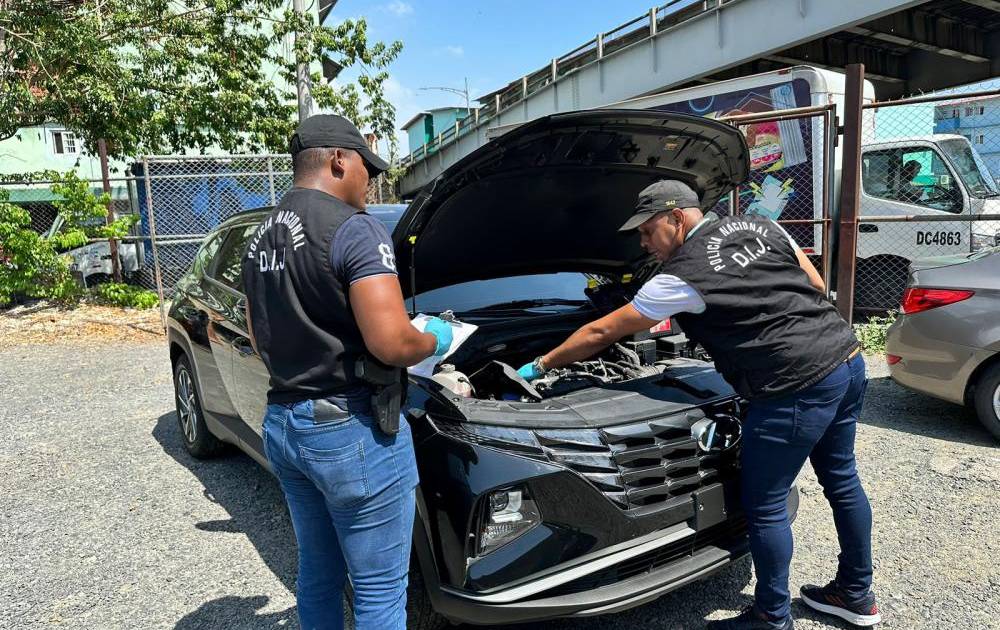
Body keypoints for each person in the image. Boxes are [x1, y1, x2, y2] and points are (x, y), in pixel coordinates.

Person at [517, 180, 879, 630]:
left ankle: (771, 617)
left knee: (764, 503)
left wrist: (540, 365)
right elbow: (814, 282)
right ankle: (856, 594)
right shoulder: (762, 224)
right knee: (842, 478)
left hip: (793, 385)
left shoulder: (681, 275)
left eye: (648, 231)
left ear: (676, 217)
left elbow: (600, 333)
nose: (644, 243)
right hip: (845, 359)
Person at [241, 114, 453, 630]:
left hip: (285, 422)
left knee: (317, 572)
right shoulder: (355, 229)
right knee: (379, 593)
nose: (371, 179)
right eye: (366, 166)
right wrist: (435, 339)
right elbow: (392, 341)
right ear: (339, 160)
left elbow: (258, 334)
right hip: (351, 431)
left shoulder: (259, 236)